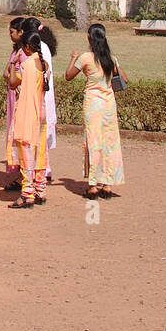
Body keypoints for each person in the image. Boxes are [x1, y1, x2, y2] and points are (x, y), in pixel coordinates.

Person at [66, 22, 126, 199]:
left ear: (89, 38)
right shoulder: (111, 58)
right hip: (109, 104)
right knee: (110, 142)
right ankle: (107, 184)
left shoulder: (85, 58)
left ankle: (92, 185)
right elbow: (124, 79)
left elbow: (68, 76)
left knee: (93, 141)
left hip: (93, 104)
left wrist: (73, 57)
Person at [8, 30, 50, 208]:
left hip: (28, 112)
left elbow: (12, 82)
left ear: (26, 47)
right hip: (41, 111)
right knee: (40, 151)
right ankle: (40, 190)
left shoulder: (26, 66)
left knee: (26, 151)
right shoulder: (44, 64)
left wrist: (13, 63)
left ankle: (27, 193)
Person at [21, 16, 58, 181]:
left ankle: (37, 171)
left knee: (34, 137)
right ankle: (44, 169)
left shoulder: (34, 54)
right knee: (42, 134)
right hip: (44, 96)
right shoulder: (45, 48)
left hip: (36, 97)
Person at [3, 17, 26, 190]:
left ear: (21, 33)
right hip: (13, 95)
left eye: (12, 32)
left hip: (19, 95)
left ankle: (22, 175)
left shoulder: (25, 54)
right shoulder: (16, 51)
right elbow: (6, 72)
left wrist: (14, 77)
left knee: (19, 134)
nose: (10, 35)